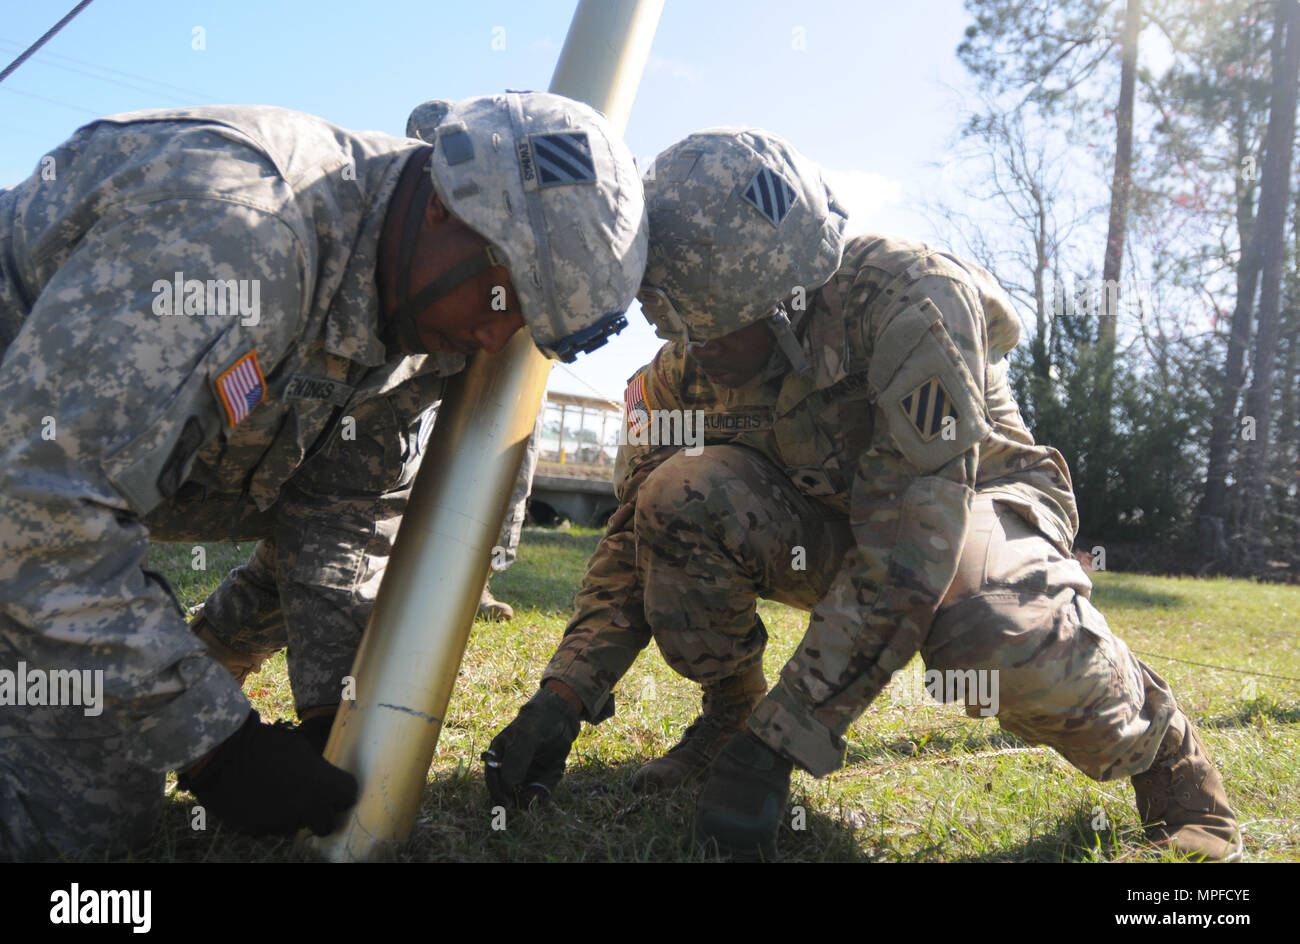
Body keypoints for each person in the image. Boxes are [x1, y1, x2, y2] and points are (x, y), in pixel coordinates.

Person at [482, 129, 1241, 862]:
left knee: (984, 630)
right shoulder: (686, 362)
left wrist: (786, 740)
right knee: (673, 495)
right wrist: (565, 693)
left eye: (706, 324)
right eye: (675, 318)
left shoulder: (910, 299)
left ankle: (1164, 750)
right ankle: (730, 712)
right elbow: (628, 536)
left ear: (782, 298)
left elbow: (910, 549)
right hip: (829, 518)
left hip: (972, 502)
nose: (689, 346)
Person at [0, 92, 647, 860]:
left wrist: (332, 710)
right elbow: (39, 504)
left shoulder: (425, 310)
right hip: (27, 504)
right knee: (62, 836)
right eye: (501, 295)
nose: (493, 335)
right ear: (444, 208)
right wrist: (218, 745)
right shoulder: (243, 237)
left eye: (527, 325)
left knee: (103, 801)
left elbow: (341, 501)